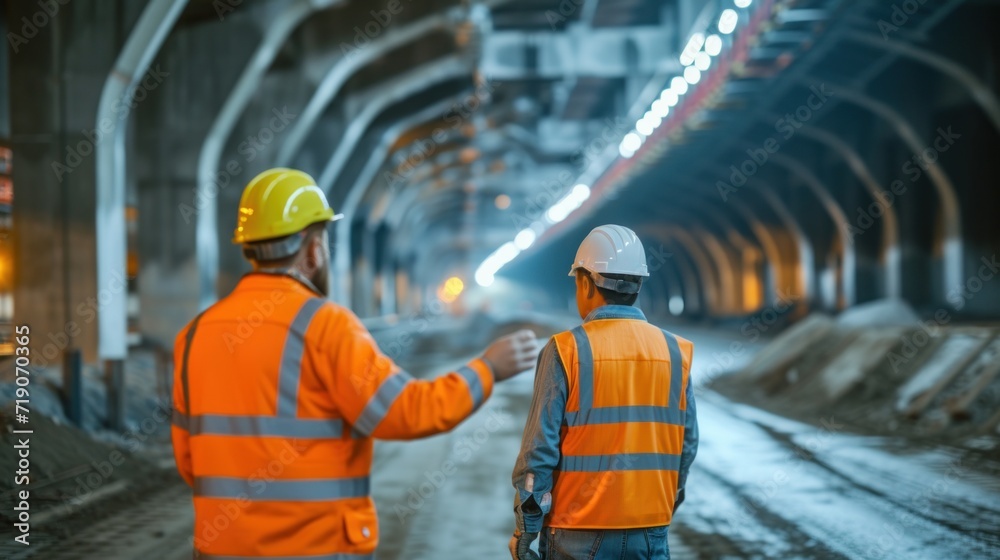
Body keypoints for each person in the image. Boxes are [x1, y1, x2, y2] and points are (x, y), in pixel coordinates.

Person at [171, 168, 540, 559]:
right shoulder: (325, 325)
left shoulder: (194, 335)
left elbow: (188, 459)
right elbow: (406, 412)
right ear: (313, 249)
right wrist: (487, 369)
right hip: (313, 549)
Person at [509, 224, 698, 560]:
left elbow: (538, 452)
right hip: (650, 531)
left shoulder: (566, 350)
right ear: (638, 284)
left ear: (585, 282)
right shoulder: (674, 352)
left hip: (577, 531)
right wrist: (663, 506)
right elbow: (687, 446)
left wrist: (527, 529)